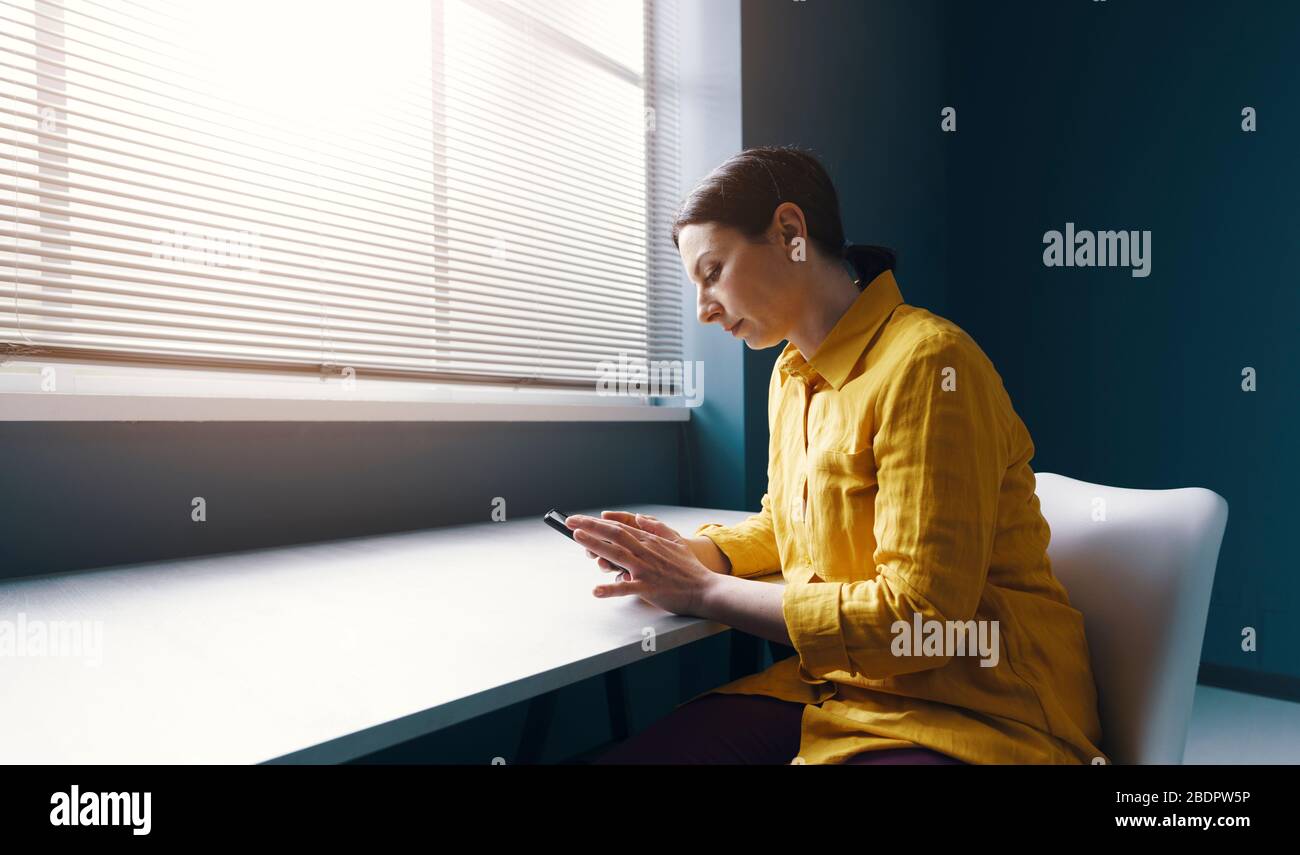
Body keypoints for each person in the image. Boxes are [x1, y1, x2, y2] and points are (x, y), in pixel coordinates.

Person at [566, 145, 1106, 765]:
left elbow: (918, 621)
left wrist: (703, 592)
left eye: (712, 272)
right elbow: (790, 522)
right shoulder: (790, 377)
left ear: (790, 232)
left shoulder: (931, 365)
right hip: (837, 691)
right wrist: (686, 556)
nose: (703, 309)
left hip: (976, 711)